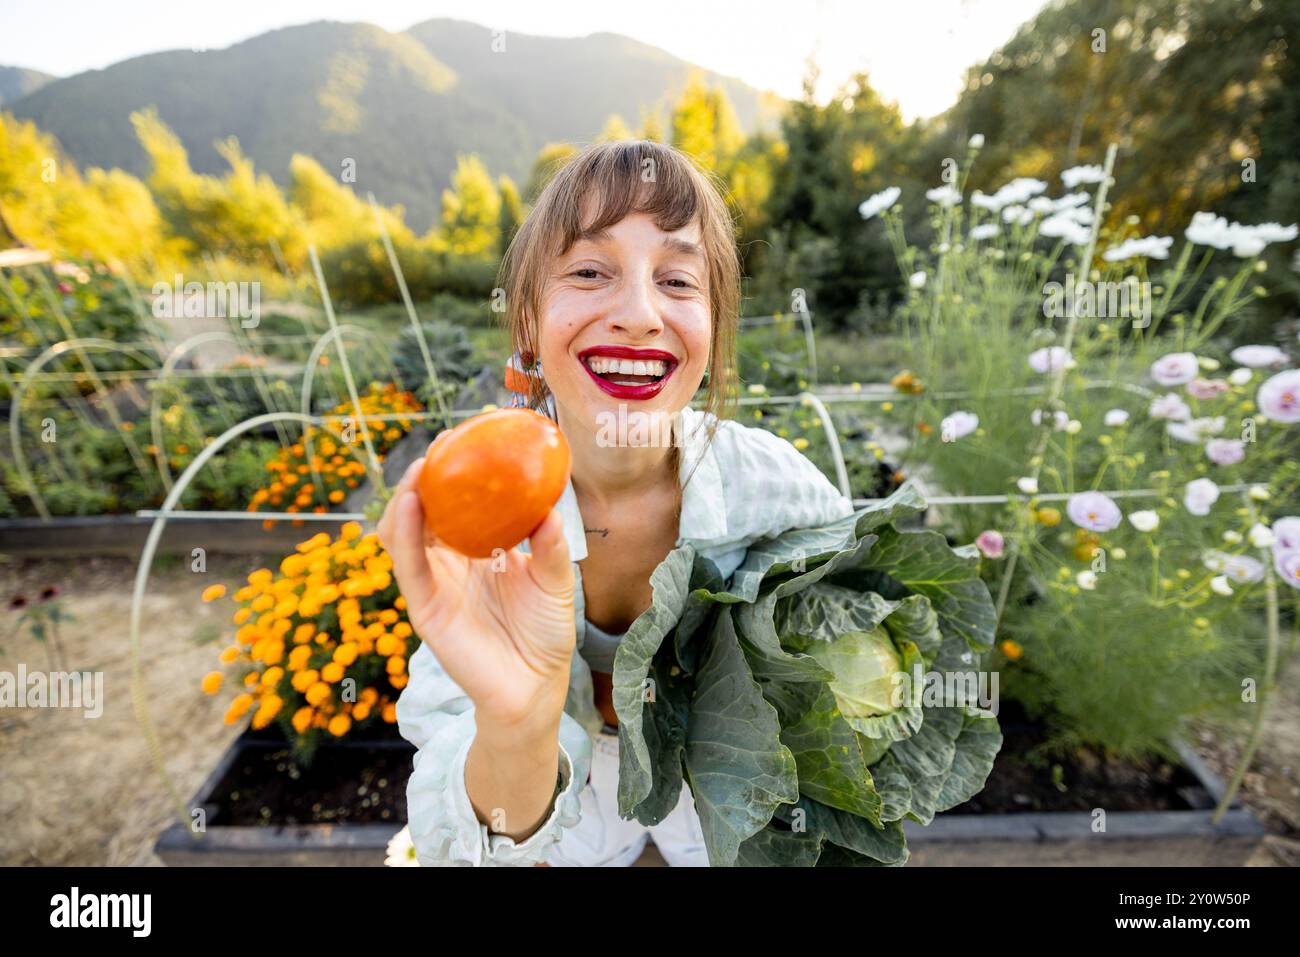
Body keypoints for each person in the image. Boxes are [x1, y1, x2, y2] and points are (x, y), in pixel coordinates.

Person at [379, 139, 852, 866]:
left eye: (678, 280)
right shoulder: (482, 516)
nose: (638, 313)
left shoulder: (777, 489)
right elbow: (466, 843)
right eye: (591, 271)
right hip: (564, 779)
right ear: (530, 322)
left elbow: (850, 625)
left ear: (716, 327)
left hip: (719, 777)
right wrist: (515, 724)